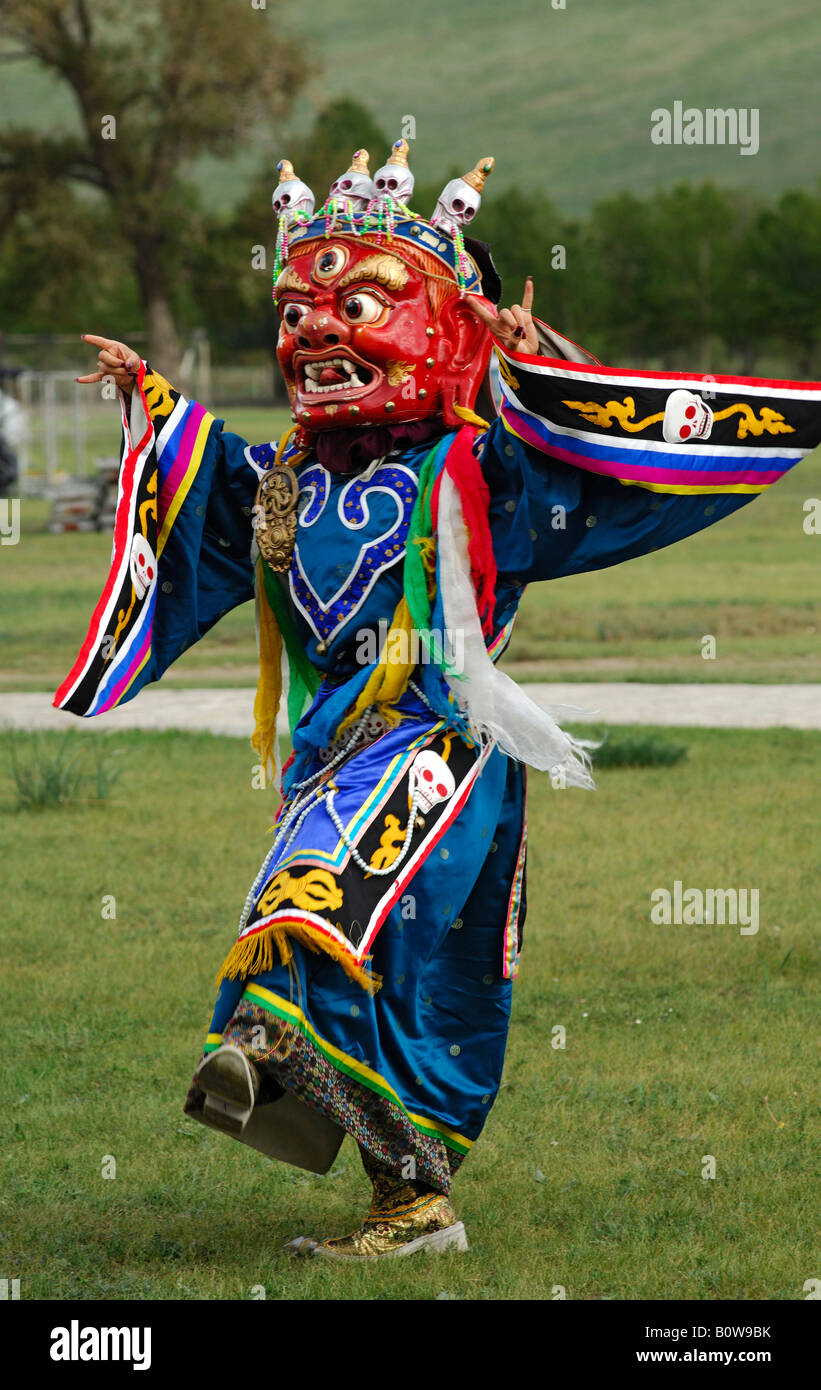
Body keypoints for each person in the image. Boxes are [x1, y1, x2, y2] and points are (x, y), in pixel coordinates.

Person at [59, 143, 821, 1259]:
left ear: (439, 327)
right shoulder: (287, 476)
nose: (315, 335)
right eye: (296, 312)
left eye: (357, 305)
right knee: (398, 986)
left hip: (442, 748)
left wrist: (528, 354)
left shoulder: (475, 468)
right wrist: (149, 395)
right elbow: (210, 495)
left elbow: (595, 447)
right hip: (333, 756)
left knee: (312, 899)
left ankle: (270, 1060)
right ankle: (410, 1205)